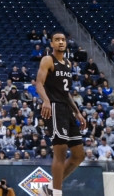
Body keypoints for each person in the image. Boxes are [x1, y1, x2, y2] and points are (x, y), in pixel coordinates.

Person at [36, 33, 86, 196]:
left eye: (63, 40)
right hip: (54, 108)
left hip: (66, 109)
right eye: (57, 40)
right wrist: (46, 101)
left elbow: (66, 92)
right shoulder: (48, 60)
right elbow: (39, 84)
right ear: (51, 43)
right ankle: (56, 193)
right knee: (61, 151)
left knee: (79, 154)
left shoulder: (68, 63)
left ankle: (49, 188)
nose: (61, 42)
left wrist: (77, 112)